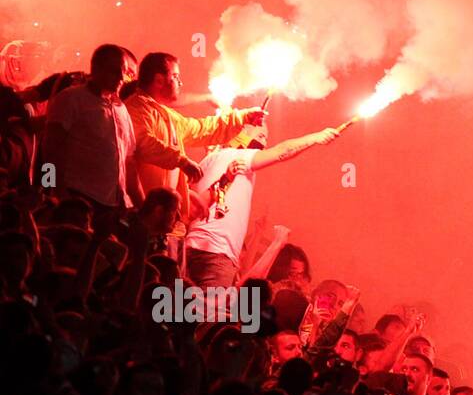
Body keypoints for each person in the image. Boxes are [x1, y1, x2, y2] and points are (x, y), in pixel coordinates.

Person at [125, 52, 263, 258]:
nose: (180, 82)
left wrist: (243, 117)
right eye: (176, 77)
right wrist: (182, 162)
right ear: (160, 80)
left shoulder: (167, 116)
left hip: (168, 222)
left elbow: (201, 129)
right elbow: (146, 143)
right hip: (144, 217)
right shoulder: (135, 108)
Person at [184, 123, 340, 289]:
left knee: (182, 310)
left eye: (266, 137)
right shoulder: (238, 156)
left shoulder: (205, 162)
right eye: (260, 136)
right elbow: (282, 151)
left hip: (191, 247)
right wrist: (315, 138)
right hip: (215, 254)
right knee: (208, 313)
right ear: (238, 134)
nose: (264, 143)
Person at [41, 44, 143, 212]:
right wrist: (51, 190)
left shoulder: (121, 109)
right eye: (114, 70)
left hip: (114, 204)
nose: (121, 77)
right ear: (96, 69)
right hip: (78, 199)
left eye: (124, 72)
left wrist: (140, 204)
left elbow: (129, 162)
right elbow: (50, 149)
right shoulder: (71, 99)